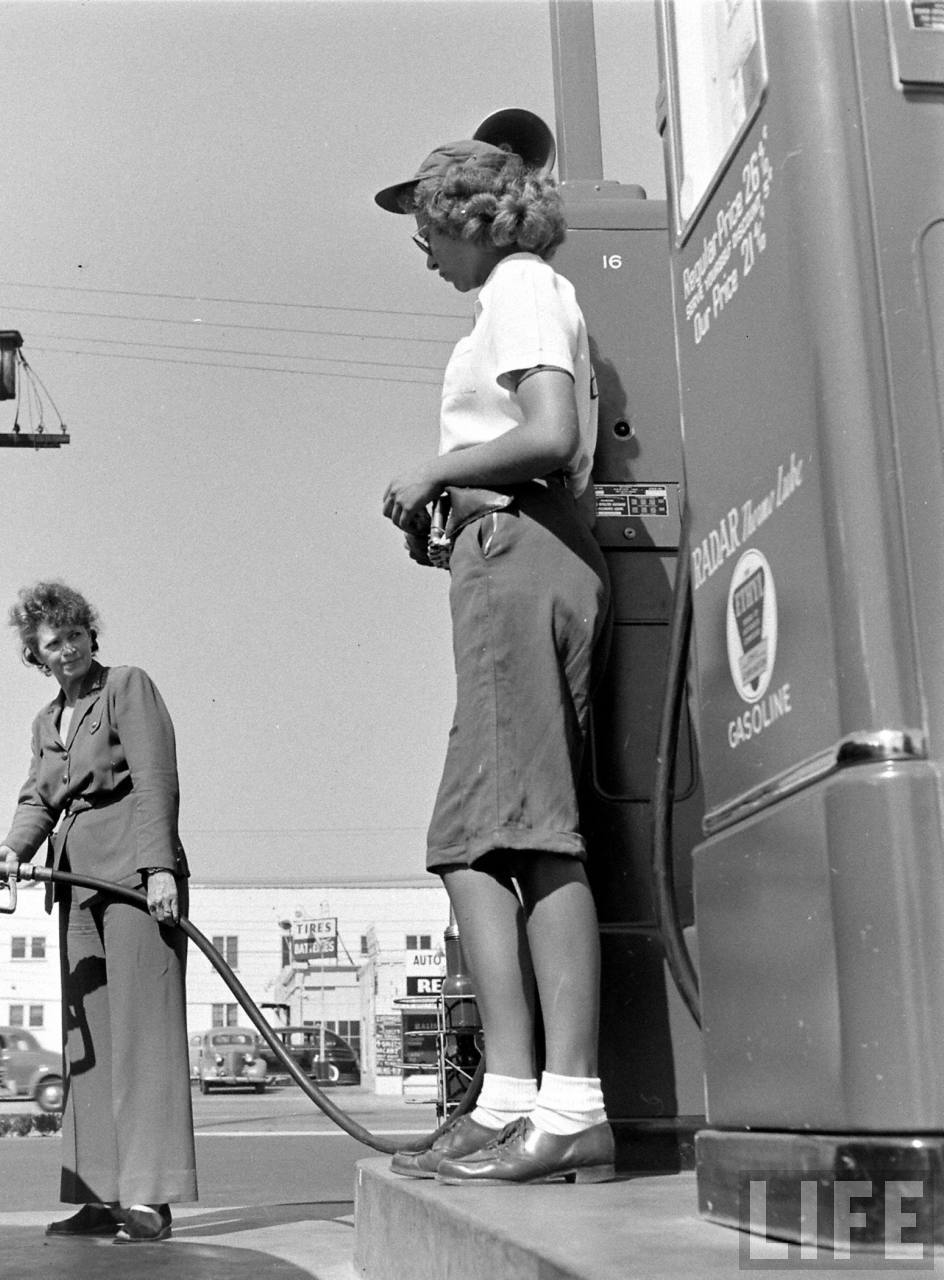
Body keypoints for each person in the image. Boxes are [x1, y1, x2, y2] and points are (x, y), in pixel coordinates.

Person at [374, 138, 614, 1185]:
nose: (422, 249)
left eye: (427, 227)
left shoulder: (519, 286)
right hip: (500, 554)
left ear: (471, 217)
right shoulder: (508, 300)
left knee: (525, 832)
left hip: (521, 553)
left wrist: (438, 469)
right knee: (477, 836)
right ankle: (513, 1096)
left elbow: (549, 432)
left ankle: (568, 1103)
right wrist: (452, 505)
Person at [0, 580, 196, 1240]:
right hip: (75, 884)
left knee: (143, 1040)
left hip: (135, 875)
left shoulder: (126, 686)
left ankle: (149, 1200)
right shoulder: (46, 722)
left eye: (76, 634)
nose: (69, 648)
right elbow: (38, 800)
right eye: (54, 642)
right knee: (91, 1044)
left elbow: (156, 777)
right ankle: (100, 1195)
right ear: (36, 655)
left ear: (90, 636)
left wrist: (159, 868)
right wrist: (11, 850)